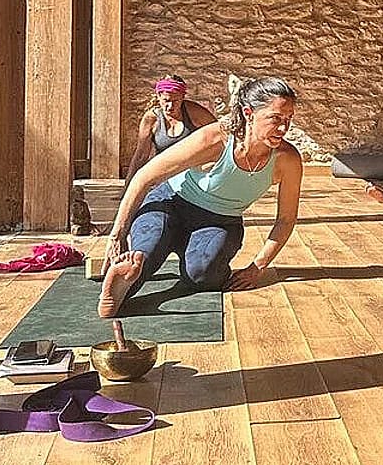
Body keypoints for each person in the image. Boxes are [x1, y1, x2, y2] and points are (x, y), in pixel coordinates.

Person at [99, 77, 303, 318]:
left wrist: (257, 267)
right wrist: (117, 235)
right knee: (146, 254)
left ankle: (176, 259)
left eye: (288, 119)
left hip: (220, 220)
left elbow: (286, 219)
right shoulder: (215, 139)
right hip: (171, 203)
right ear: (248, 114)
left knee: (203, 275)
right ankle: (119, 287)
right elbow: (144, 177)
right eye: (275, 118)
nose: (283, 128)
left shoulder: (287, 159)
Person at [125, 75, 217, 186]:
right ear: (159, 96)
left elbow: (219, 135)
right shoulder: (151, 119)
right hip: (164, 176)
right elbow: (140, 156)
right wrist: (128, 187)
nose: (170, 106)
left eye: (176, 101)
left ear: (182, 97)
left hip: (191, 175)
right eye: (166, 100)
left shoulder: (195, 113)